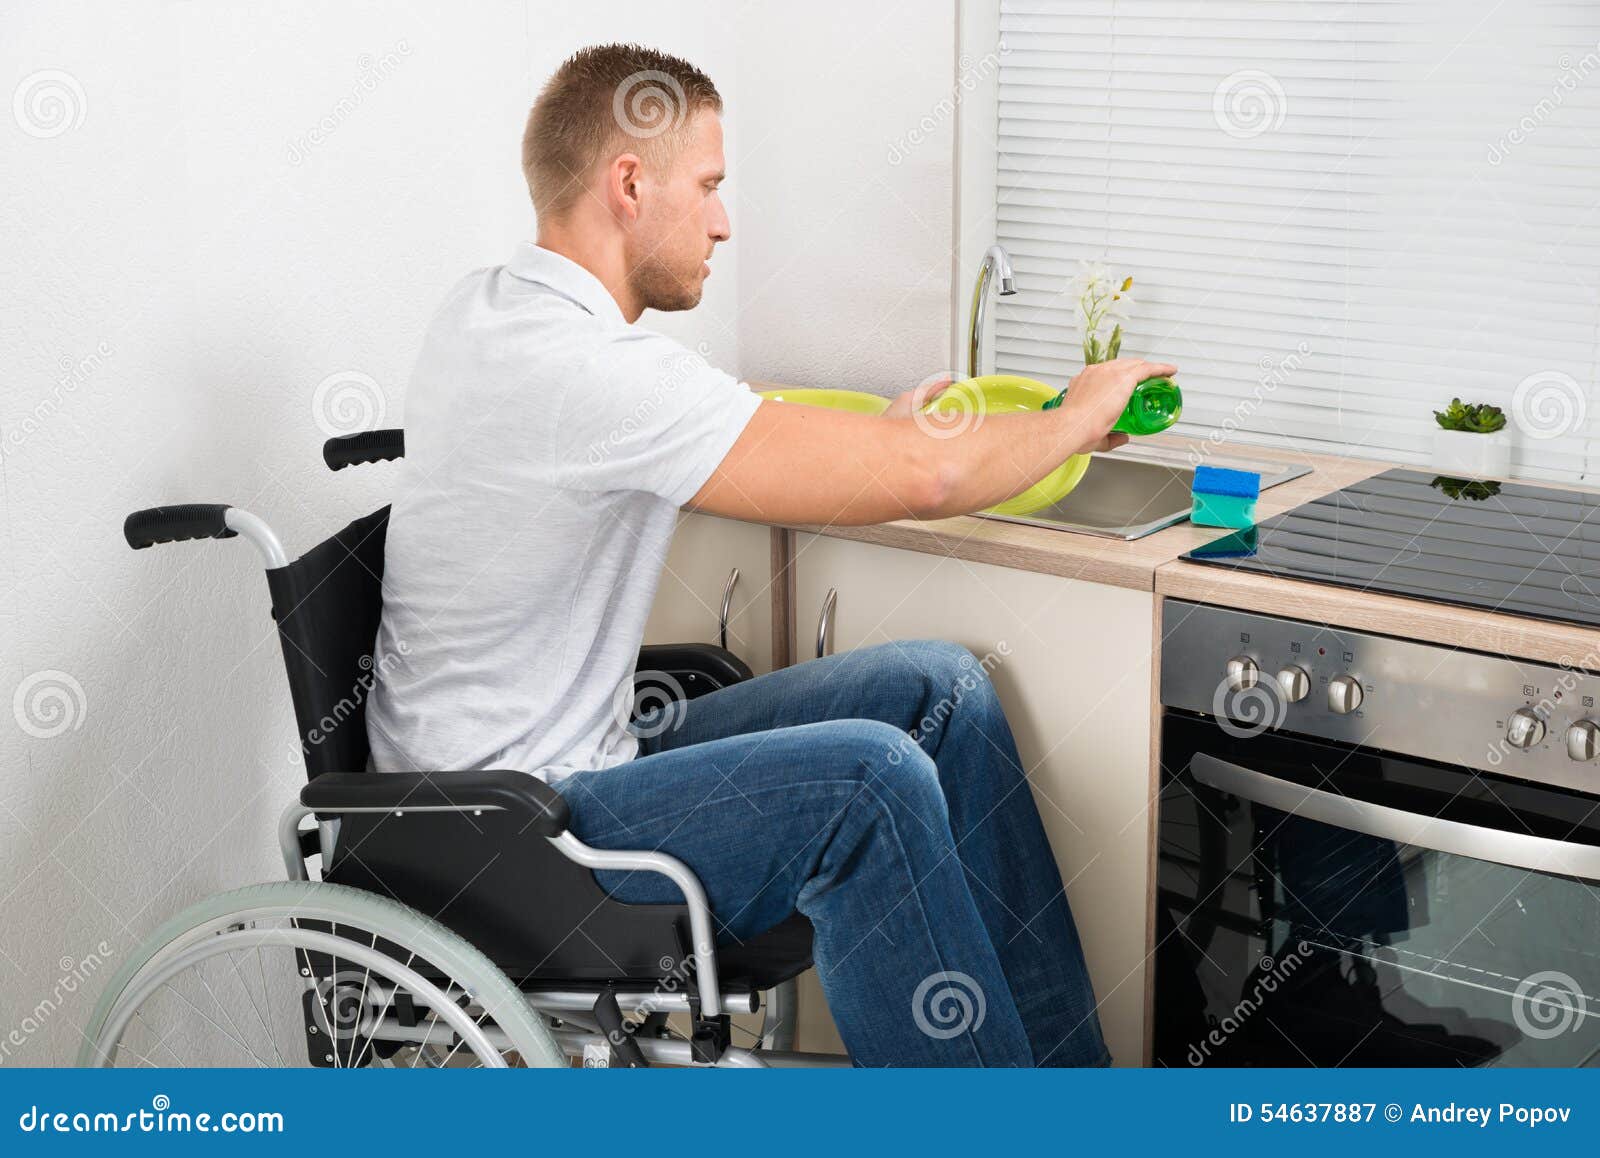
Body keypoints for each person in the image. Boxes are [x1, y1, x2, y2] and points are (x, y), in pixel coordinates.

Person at [366, 41, 1175, 1066]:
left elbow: (741, 431)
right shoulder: (582, 369)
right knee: (867, 781)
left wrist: (875, 434)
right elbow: (924, 481)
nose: (722, 220)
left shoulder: (490, 308)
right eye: (706, 186)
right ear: (627, 184)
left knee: (941, 690)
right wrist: (1081, 413)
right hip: (513, 831)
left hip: (569, 761)